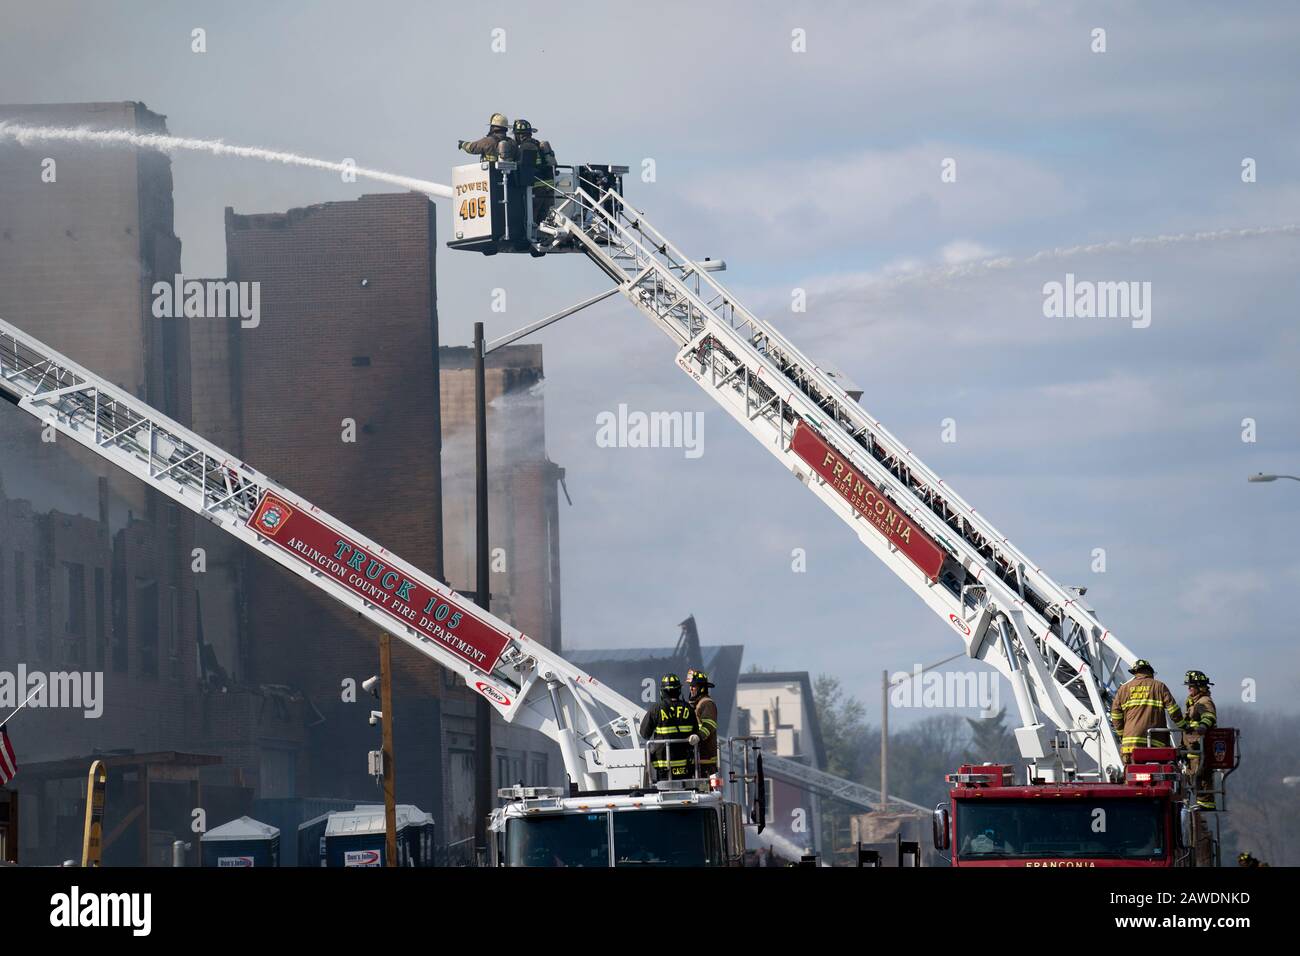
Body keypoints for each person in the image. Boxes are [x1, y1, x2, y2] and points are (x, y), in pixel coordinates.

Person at [1109, 660, 1184, 764]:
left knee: (1133, 775)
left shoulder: (1123, 689)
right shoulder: (1159, 686)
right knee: (1159, 774)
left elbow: (1116, 715)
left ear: (1135, 673)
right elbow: (1173, 710)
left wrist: (1123, 734)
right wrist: (1184, 726)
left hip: (1131, 744)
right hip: (1156, 741)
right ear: (1150, 672)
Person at [638, 673, 700, 782]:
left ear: (662, 691)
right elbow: (696, 732)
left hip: (664, 764)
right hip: (685, 763)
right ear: (679, 690)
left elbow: (644, 733)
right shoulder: (688, 709)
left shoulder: (656, 708)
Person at [1182, 670, 1218, 812]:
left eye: (1191, 686)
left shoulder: (1204, 701)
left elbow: (1209, 716)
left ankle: (1205, 804)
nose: (1189, 688)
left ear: (1200, 687)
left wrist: (1203, 727)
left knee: (1201, 774)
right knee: (1194, 775)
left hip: (1200, 746)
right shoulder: (1193, 702)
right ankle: (1200, 803)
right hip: (1193, 746)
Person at [511, 118, 557, 225]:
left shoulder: (525, 147)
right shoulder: (539, 145)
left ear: (520, 135)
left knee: (532, 218)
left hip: (536, 188)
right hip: (549, 187)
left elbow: (523, 166)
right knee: (544, 219)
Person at [686, 669, 719, 777]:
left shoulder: (707, 704)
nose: (691, 688)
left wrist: (698, 736)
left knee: (704, 789)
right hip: (695, 759)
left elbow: (709, 725)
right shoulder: (694, 704)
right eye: (690, 685)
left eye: (694, 686)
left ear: (702, 687)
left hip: (706, 760)